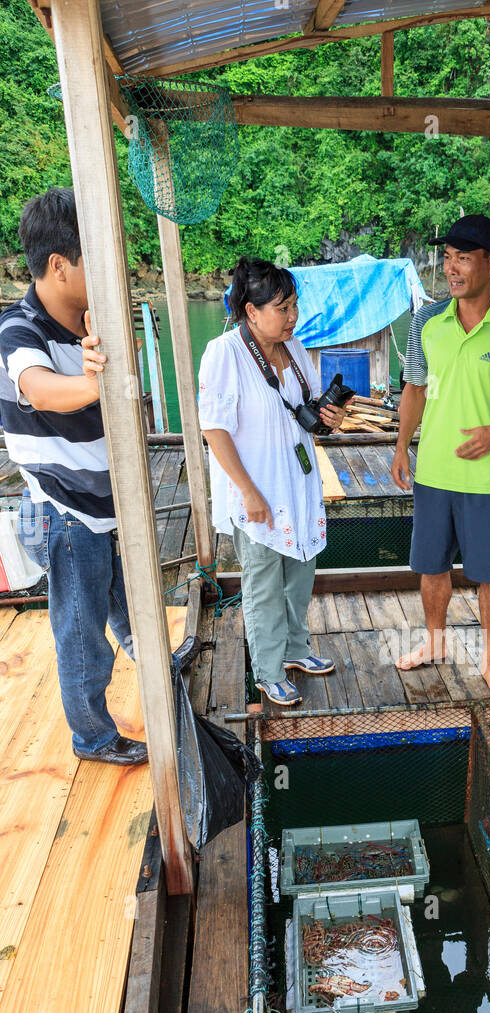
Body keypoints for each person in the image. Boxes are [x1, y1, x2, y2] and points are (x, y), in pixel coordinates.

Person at [0, 188, 197, 765]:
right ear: (59, 266)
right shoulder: (19, 330)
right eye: (97, 260)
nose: (112, 273)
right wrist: (94, 383)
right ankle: (92, 737)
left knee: (124, 597)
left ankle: (154, 658)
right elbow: (37, 388)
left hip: (101, 506)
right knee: (82, 632)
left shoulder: (88, 324)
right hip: (62, 512)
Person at [391, 214, 490, 697]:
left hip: (484, 478)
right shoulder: (428, 321)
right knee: (431, 566)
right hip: (433, 471)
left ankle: (489, 661)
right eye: (447, 258)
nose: (452, 268)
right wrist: (401, 446)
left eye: (463, 258)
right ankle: (435, 643)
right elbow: (414, 388)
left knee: (489, 575)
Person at [198, 258, 348, 708]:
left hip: (297, 486)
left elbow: (308, 413)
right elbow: (214, 428)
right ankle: (266, 670)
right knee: (262, 582)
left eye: (294, 306)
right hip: (257, 492)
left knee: (300, 573)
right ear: (251, 311)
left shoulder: (295, 349)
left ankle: (295, 650)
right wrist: (247, 491)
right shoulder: (224, 353)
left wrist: (331, 418)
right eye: (282, 308)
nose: (292, 317)